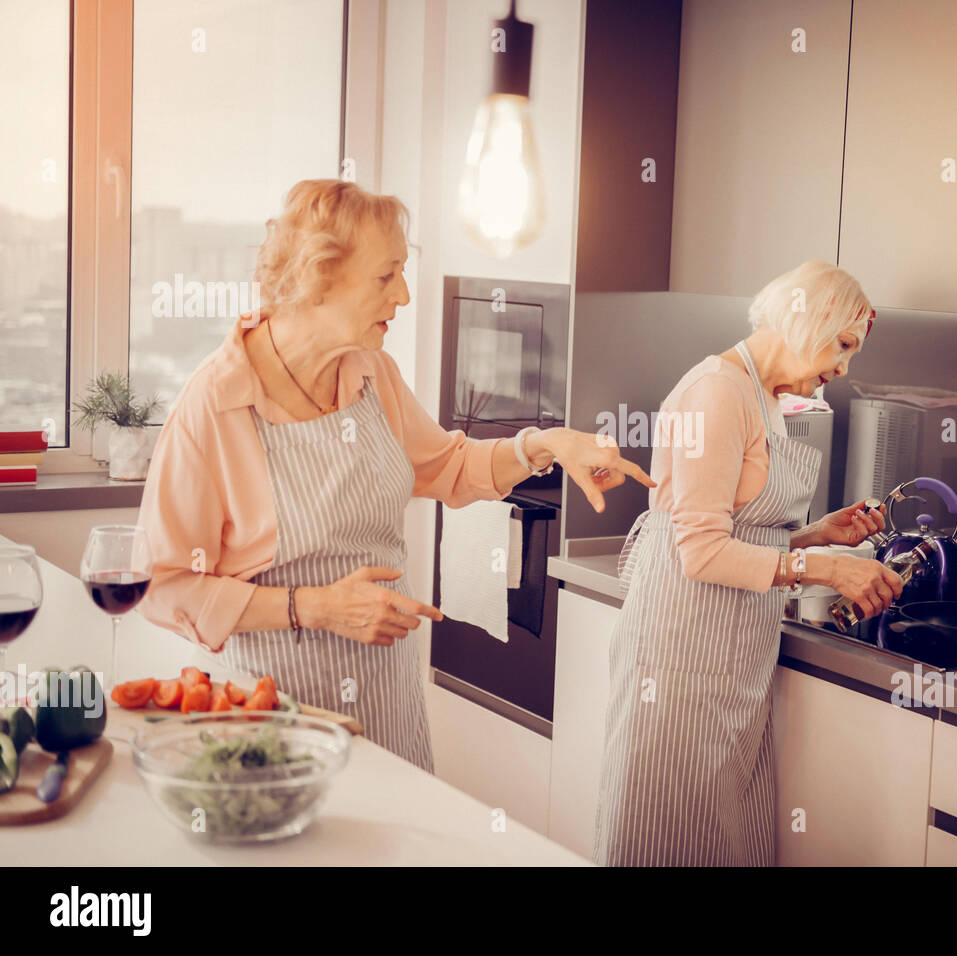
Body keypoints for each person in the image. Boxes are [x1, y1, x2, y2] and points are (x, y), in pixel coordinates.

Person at [138, 179, 650, 772]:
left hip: (387, 697)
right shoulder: (215, 404)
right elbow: (164, 583)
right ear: (318, 277)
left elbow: (450, 468)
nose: (404, 295)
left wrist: (547, 444)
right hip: (276, 715)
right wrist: (315, 607)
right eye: (386, 276)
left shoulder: (370, 372)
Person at [592, 260, 904, 865]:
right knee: (665, 830)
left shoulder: (760, 394)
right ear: (800, 319)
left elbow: (737, 527)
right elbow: (703, 550)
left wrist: (813, 535)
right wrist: (828, 569)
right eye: (842, 346)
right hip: (678, 656)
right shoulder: (716, 392)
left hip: (730, 653)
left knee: (720, 832)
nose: (842, 370)